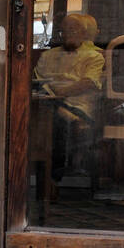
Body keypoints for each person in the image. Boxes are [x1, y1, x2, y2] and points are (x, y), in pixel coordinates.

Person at [34, 14, 104, 178]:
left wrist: (60, 94)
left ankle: (53, 173)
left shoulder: (93, 56)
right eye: (65, 30)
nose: (69, 33)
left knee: (56, 117)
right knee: (41, 115)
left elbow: (89, 82)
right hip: (46, 102)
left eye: (73, 29)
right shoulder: (48, 56)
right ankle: (41, 170)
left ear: (83, 33)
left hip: (76, 106)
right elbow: (37, 80)